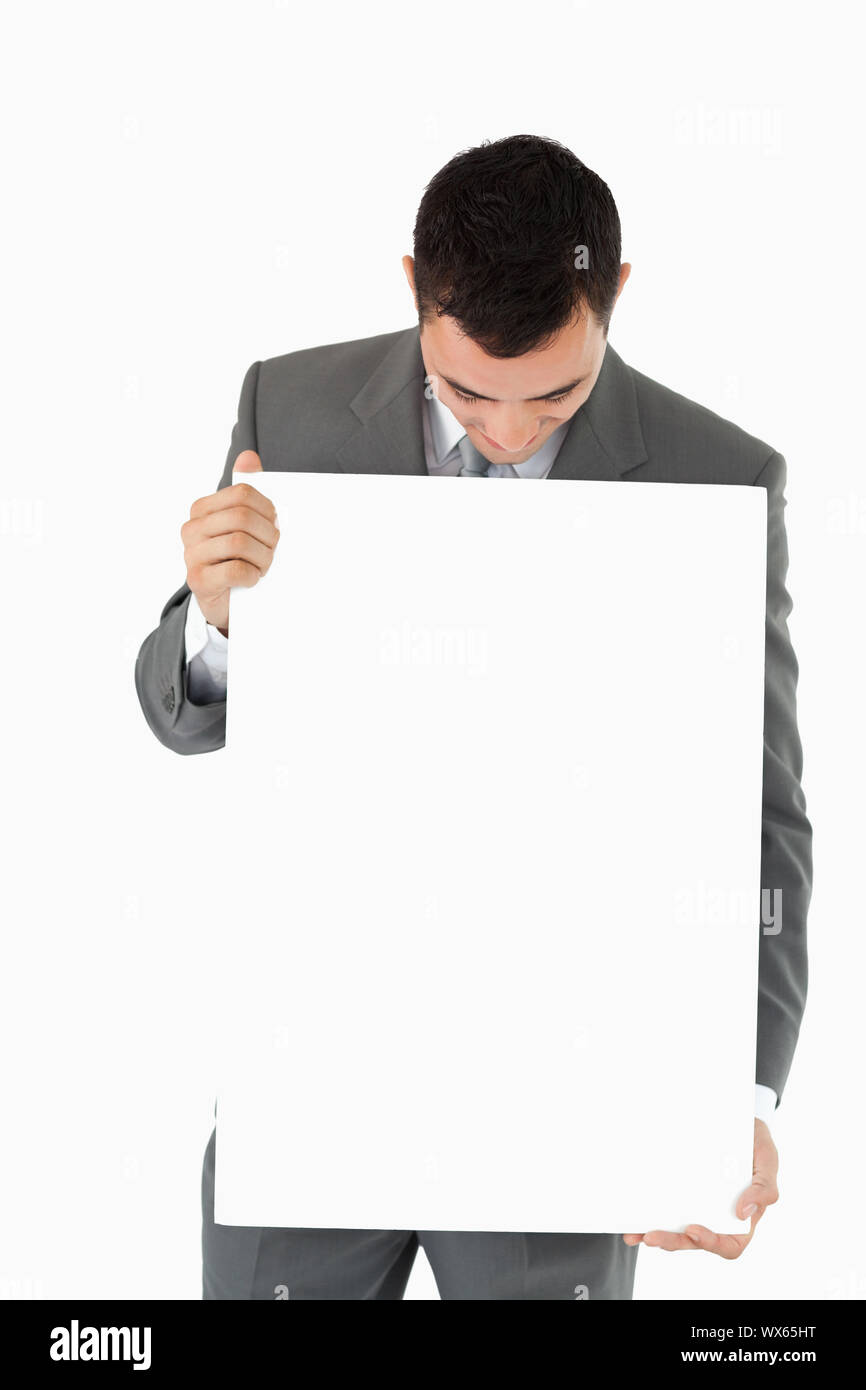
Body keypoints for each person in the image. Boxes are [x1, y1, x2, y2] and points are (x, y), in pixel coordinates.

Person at [134, 134, 811, 1299]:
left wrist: (734, 1092)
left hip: (572, 1078)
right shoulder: (284, 406)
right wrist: (217, 624)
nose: (506, 430)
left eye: (554, 391)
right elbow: (179, 717)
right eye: (464, 392)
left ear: (617, 299)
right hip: (314, 1059)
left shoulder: (720, 472)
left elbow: (761, 810)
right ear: (412, 291)